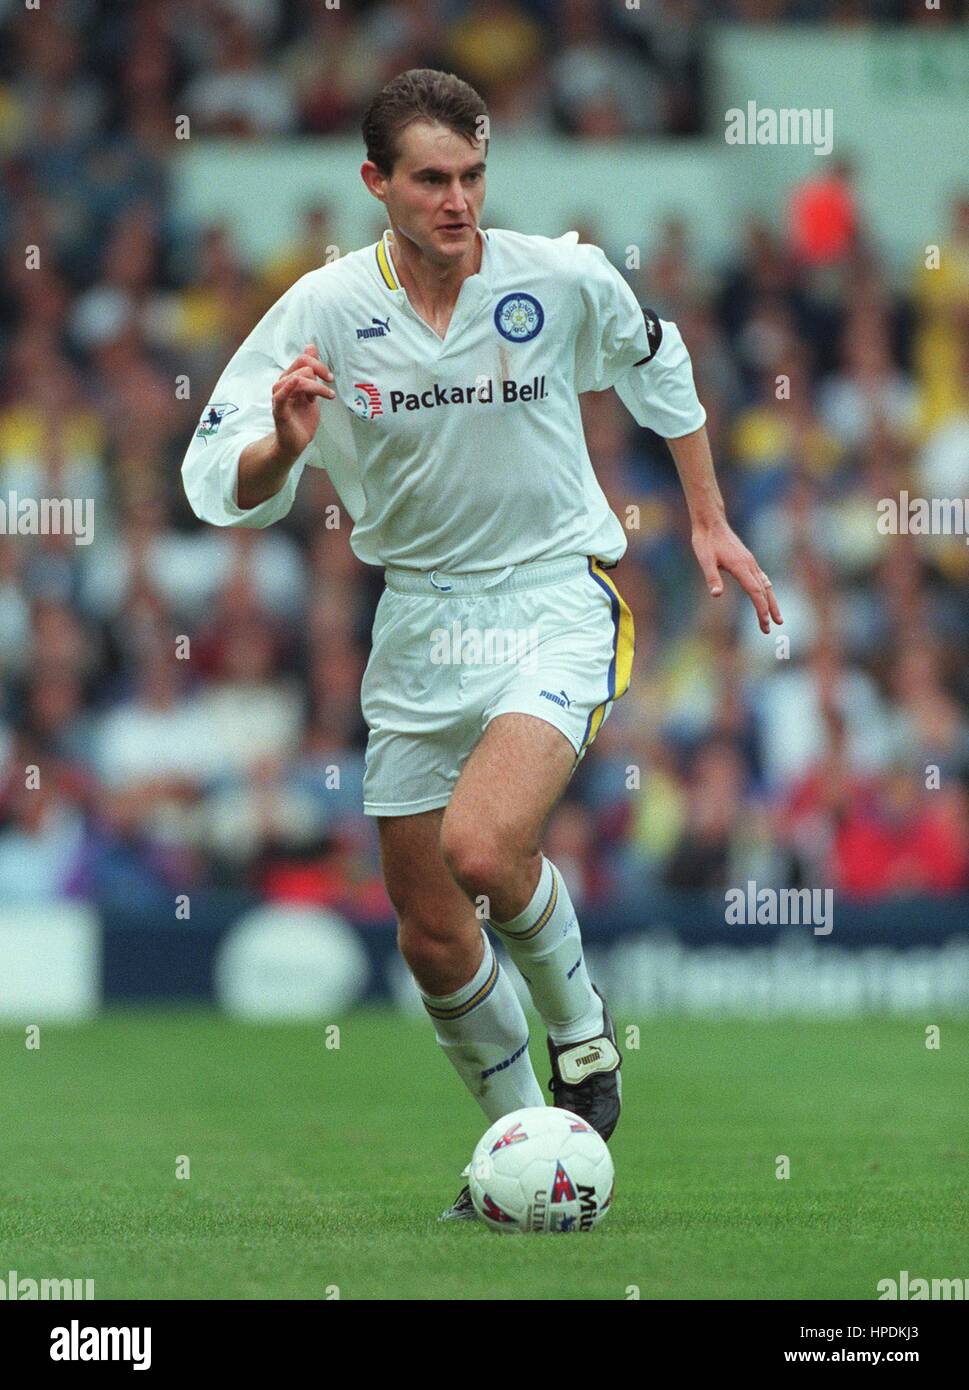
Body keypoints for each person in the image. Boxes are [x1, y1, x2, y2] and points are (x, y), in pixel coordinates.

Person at [181, 67, 782, 1221]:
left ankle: (586, 1043)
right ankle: (517, 1139)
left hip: (554, 593)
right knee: (432, 931)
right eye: (432, 180)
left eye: (472, 175)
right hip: (417, 616)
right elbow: (219, 481)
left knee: (485, 848)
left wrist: (707, 513)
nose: (458, 200)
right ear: (377, 185)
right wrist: (280, 446)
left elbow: (657, 361)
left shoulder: (555, 276)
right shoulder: (320, 310)